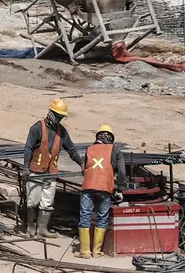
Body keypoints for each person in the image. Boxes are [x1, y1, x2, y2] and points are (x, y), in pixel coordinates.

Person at [23, 99, 84, 238]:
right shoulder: (37, 128)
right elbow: (28, 148)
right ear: (50, 113)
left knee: (47, 203)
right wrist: (26, 167)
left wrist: (81, 163)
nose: (59, 119)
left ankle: (42, 229)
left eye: (61, 117)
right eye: (57, 116)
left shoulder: (61, 132)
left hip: (51, 173)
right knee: (33, 201)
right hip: (36, 172)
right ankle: (31, 227)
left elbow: (71, 149)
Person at [77, 125, 128, 259]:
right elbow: (122, 171)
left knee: (85, 215)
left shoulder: (89, 149)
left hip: (88, 186)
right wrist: (120, 189)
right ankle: (97, 251)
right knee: (102, 216)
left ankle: (84, 252)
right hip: (105, 188)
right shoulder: (115, 151)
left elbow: (84, 168)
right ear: (111, 138)